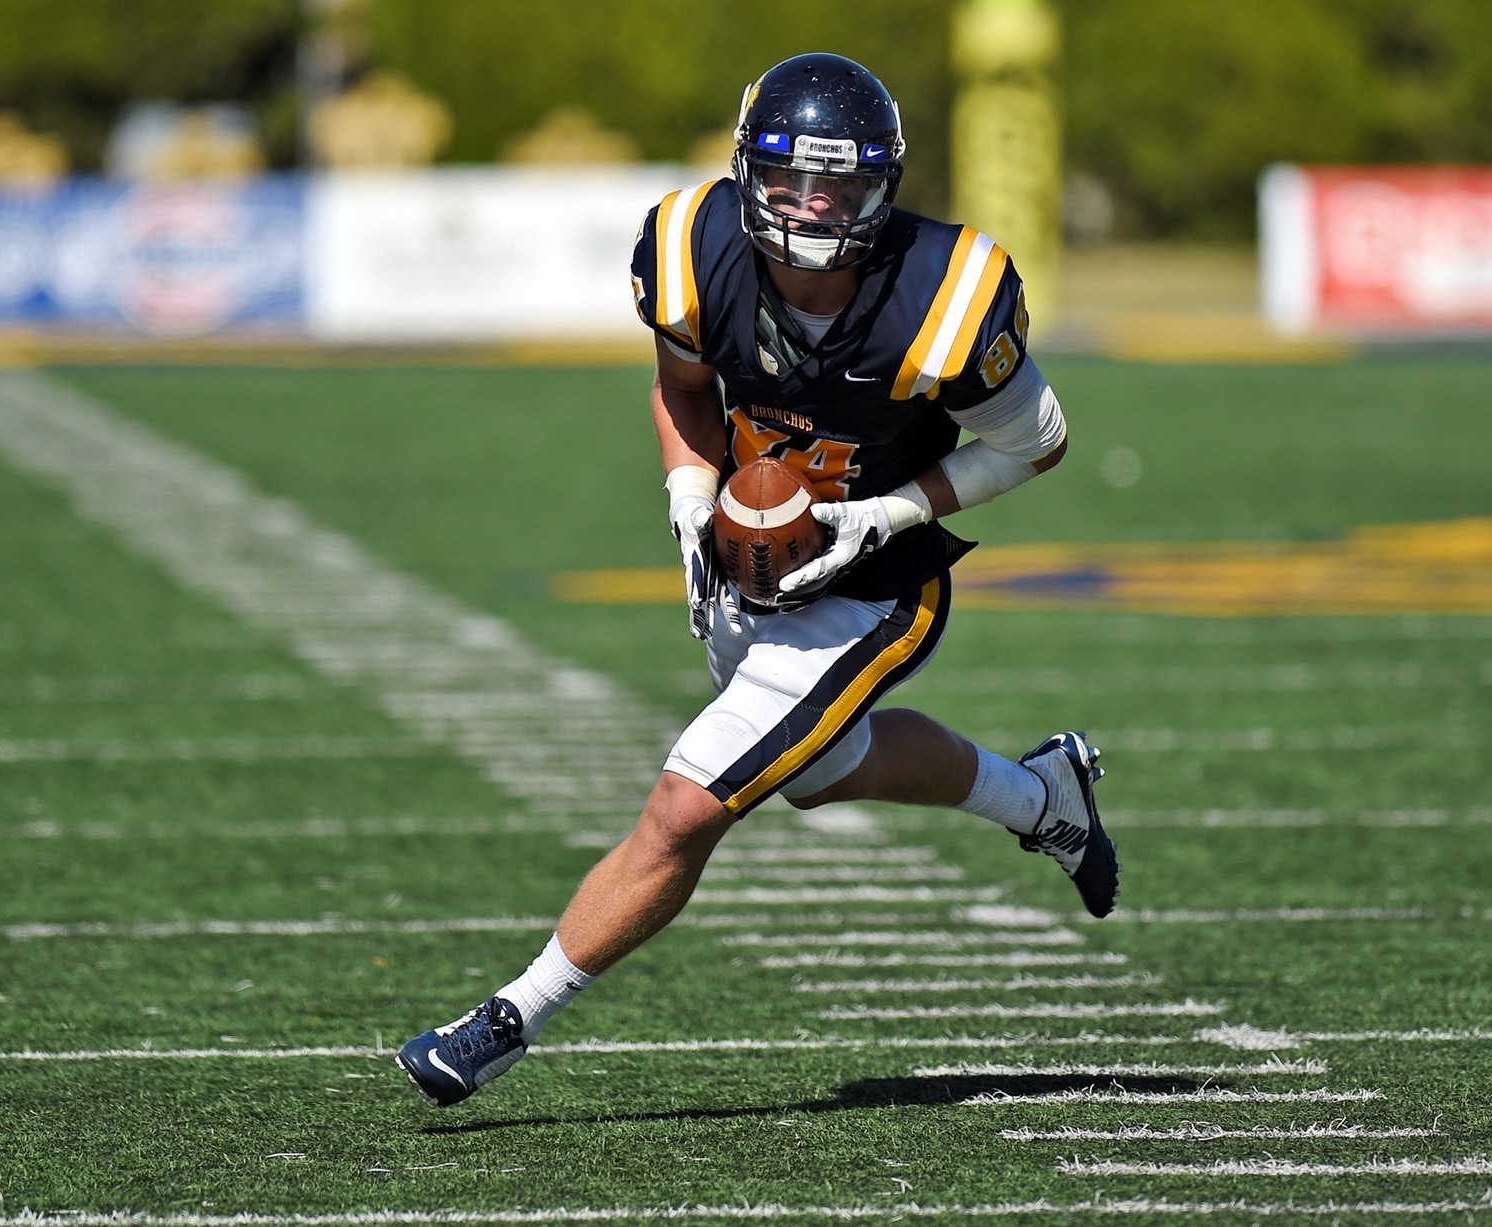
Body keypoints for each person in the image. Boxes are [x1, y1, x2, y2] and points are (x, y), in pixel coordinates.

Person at [396, 51, 1119, 1108]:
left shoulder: (947, 291)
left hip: (878, 583)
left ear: (887, 186)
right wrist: (691, 496)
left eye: (843, 184)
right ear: (748, 173)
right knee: (825, 773)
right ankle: (1038, 793)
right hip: (753, 563)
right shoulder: (694, 246)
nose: (815, 207)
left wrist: (892, 507)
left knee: (688, 807)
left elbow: (1036, 441)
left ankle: (510, 1015)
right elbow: (682, 384)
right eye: (791, 181)